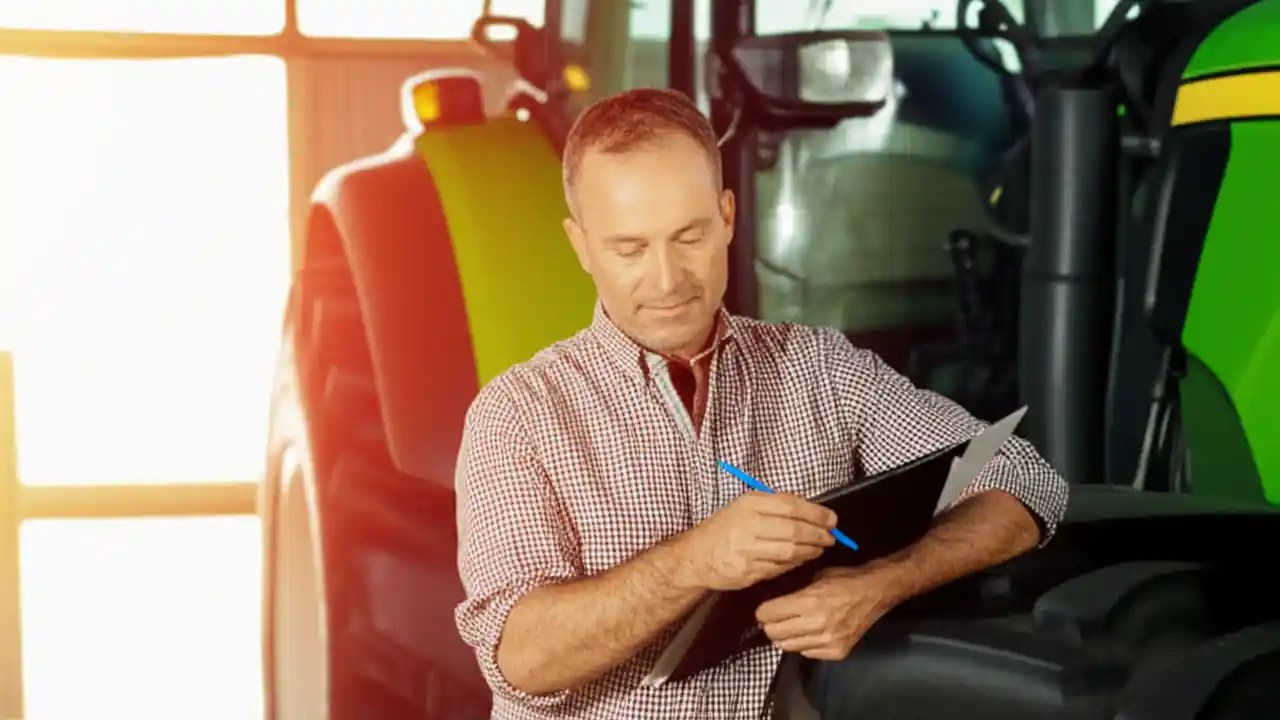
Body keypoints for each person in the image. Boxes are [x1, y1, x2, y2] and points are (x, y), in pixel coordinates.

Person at [453, 87, 1068, 719]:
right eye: (630, 249)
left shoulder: (820, 368)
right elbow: (519, 657)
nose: (667, 280)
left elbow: (1025, 482)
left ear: (726, 216)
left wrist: (885, 583)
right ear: (581, 246)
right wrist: (698, 560)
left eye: (688, 236)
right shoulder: (517, 413)